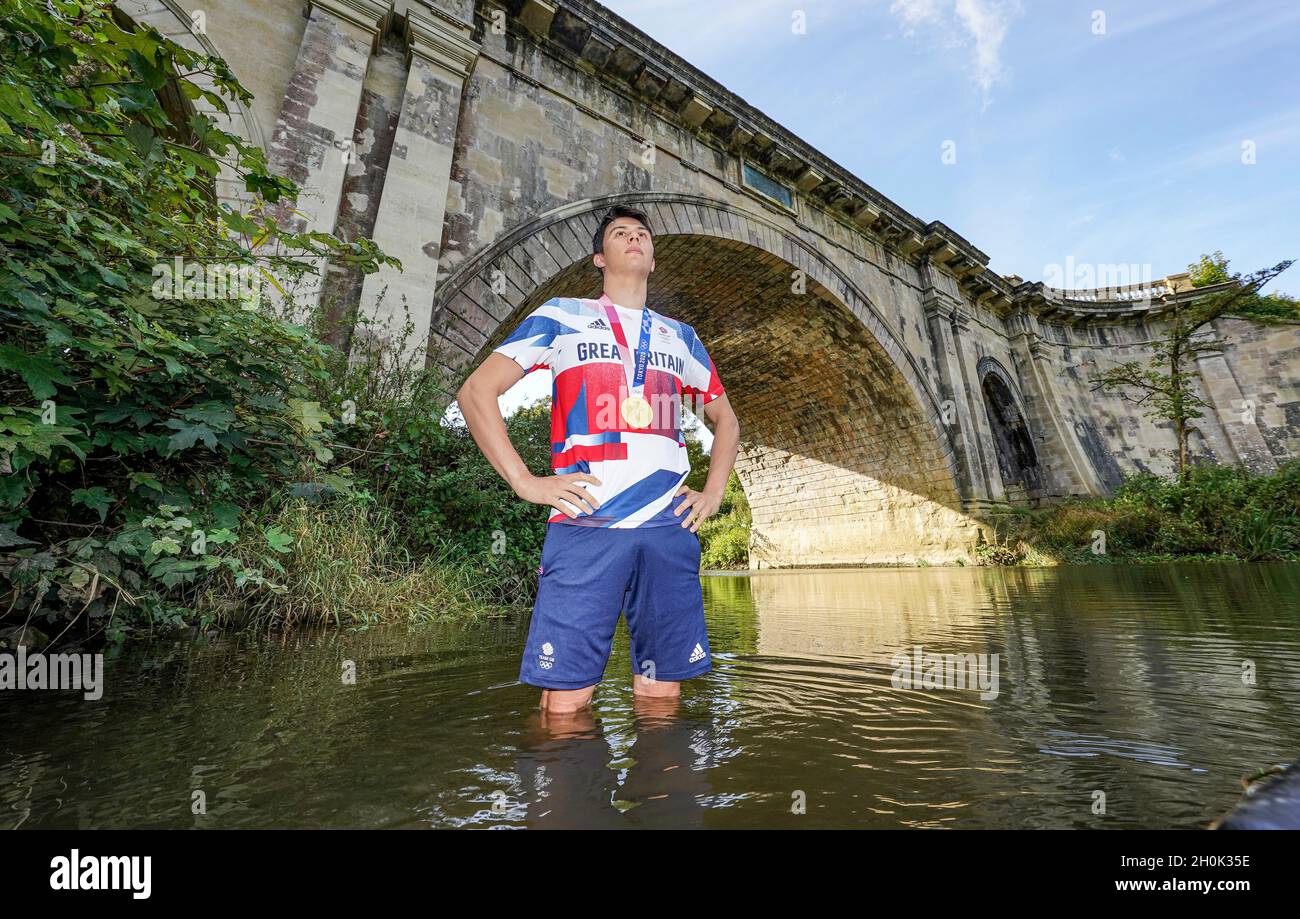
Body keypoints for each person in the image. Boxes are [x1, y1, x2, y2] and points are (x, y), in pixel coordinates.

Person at [456, 205, 741, 714]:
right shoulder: (561, 316)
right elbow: (477, 391)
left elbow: (727, 420)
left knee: (663, 691)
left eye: (642, 234)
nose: (634, 238)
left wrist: (714, 491)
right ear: (597, 257)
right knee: (565, 699)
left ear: (652, 259)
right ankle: (565, 788)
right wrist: (525, 482)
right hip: (586, 519)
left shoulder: (682, 336)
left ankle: (662, 789)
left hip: (667, 524)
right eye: (619, 233)